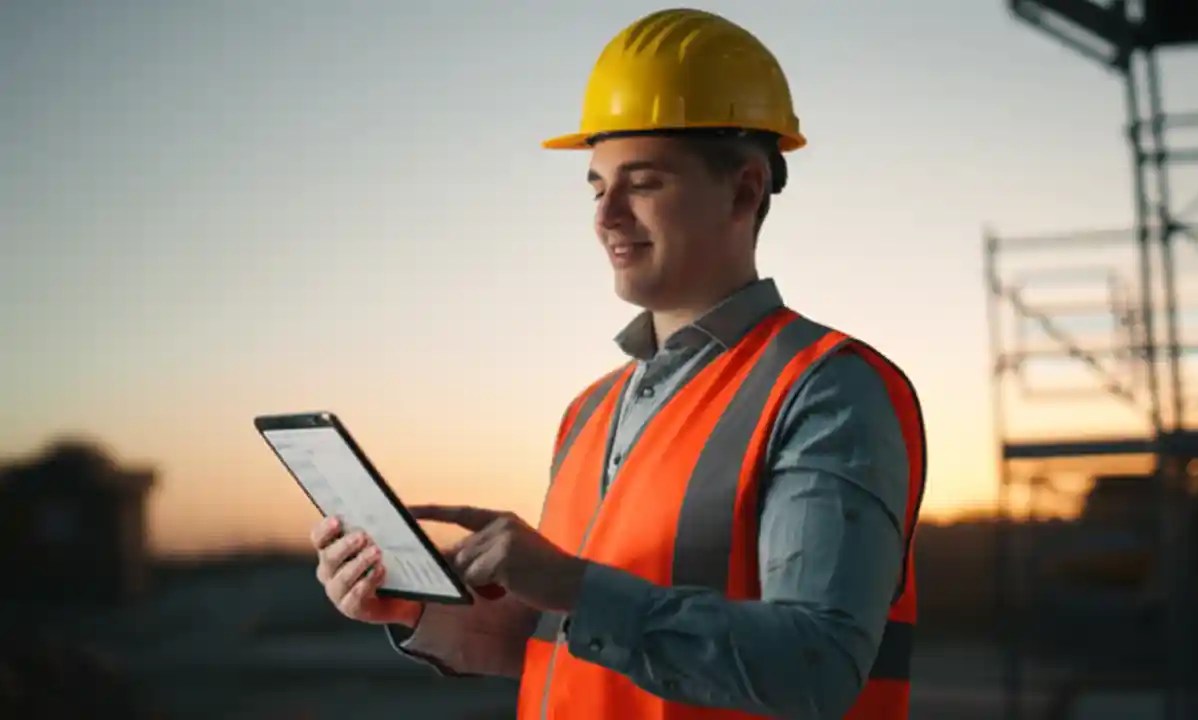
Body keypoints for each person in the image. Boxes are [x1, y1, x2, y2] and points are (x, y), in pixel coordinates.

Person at [309, 8, 926, 720]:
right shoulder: (590, 411)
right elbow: (564, 646)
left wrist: (571, 583)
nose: (606, 217)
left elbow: (813, 666)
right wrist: (412, 604)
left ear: (745, 190)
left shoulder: (826, 389)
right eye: (598, 187)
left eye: (644, 183)